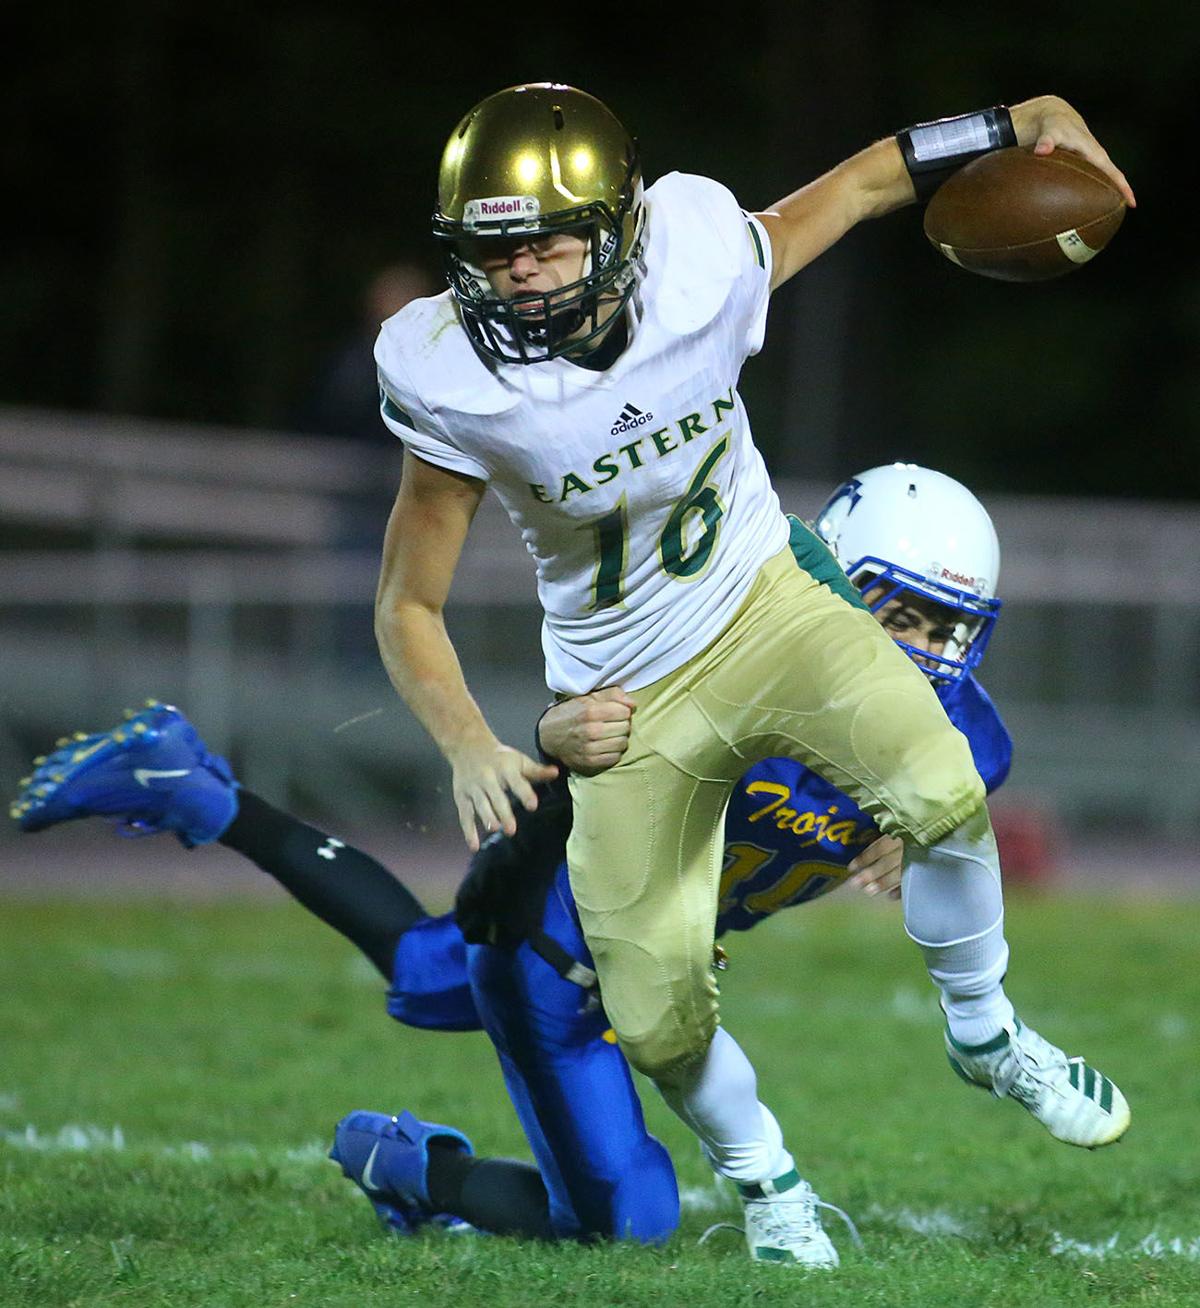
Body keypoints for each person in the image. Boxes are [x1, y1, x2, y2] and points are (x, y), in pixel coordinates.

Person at [369, 83, 1134, 1263]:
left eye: (547, 241)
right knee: (657, 1018)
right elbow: (408, 601)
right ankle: (770, 1183)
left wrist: (1015, 120)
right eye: (494, 250)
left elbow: (871, 180)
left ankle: (986, 1035)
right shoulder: (444, 370)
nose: (519, 274)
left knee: (941, 788)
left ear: (621, 226)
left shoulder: (699, 260)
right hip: (627, 697)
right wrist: (472, 738)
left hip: (765, 603)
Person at [11, 467, 1126, 1264]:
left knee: (414, 974)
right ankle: (427, 1173)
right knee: (625, 1221)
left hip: (661, 941)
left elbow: (947, 823)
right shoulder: (734, 650)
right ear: (833, 580)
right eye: (902, 614)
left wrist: (910, 830)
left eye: (948, 626)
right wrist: (529, 837)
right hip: (574, 943)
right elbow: (588, 736)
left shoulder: (963, 741)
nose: (924, 649)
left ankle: (188, 788)